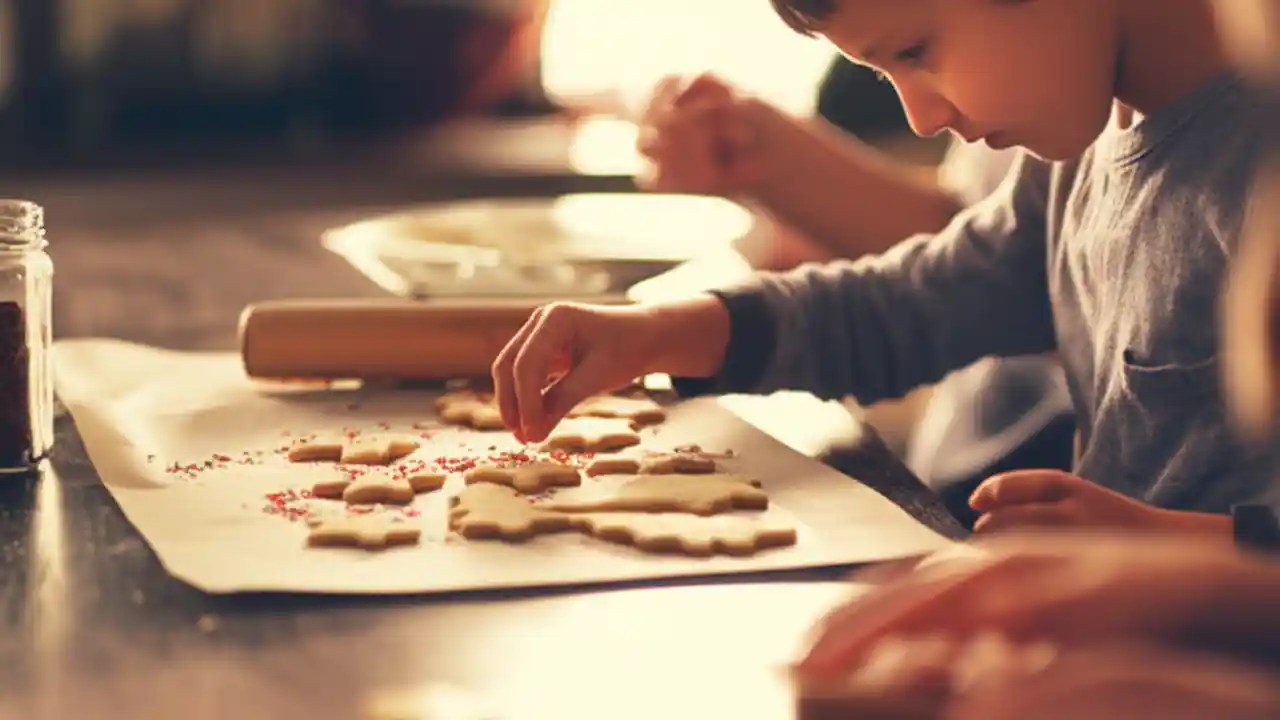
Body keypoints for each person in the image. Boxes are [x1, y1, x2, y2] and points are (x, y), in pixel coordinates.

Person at [493, 0, 1278, 535]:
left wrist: (1181, 545)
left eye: (914, 51)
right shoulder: (1079, 155)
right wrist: (665, 332)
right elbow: (909, 305)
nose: (922, 115)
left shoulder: (1260, 165)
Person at [635, 63, 1073, 527]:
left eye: (916, 49)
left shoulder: (1094, 117)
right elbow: (976, 270)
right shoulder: (1067, 152)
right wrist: (675, 331)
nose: (921, 119)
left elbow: (1014, 289)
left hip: (1034, 489)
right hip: (956, 475)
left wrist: (1157, 554)